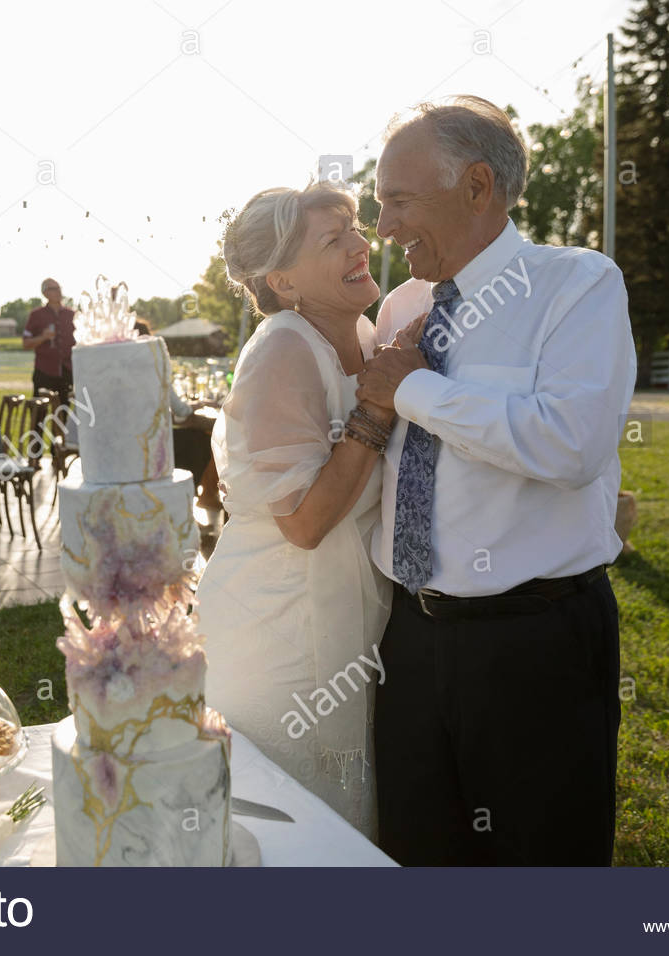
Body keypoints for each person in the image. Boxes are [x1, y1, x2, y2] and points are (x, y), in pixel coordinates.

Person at [358, 95, 635, 865]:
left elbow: (571, 444)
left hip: (535, 646)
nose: (383, 229)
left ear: (477, 187)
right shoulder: (402, 307)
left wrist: (412, 389)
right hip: (408, 639)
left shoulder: (578, 286)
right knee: (418, 858)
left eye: (398, 202)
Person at [194, 182, 395, 839]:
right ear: (282, 280)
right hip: (277, 627)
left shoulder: (366, 335)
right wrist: (377, 407)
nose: (361, 245)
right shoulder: (283, 349)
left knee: (334, 811)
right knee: (290, 818)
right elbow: (305, 523)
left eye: (356, 228)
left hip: (338, 616)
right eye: (333, 240)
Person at [22, 277, 75, 399]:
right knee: (39, 413)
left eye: (59, 288)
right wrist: (43, 337)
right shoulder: (36, 315)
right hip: (44, 371)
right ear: (45, 293)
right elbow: (26, 344)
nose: (58, 291)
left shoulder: (72, 315)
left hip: (67, 372)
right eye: (53, 289)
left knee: (63, 414)